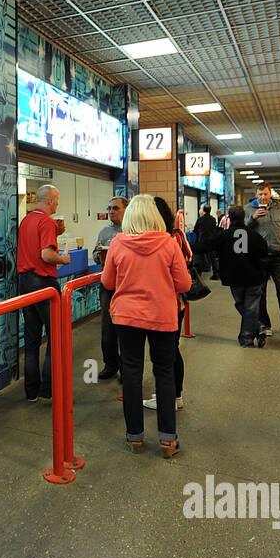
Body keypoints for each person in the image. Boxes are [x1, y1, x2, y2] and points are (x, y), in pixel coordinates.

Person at [101, 193, 190, 456]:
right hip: (162, 316)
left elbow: (108, 282)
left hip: (126, 317)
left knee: (131, 372)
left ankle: (134, 437)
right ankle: (167, 440)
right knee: (164, 373)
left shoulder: (118, 242)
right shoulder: (168, 243)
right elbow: (184, 284)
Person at [18, 185, 72, 403]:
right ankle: (48, 388)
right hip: (44, 284)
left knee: (31, 340)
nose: (57, 204)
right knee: (55, 336)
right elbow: (47, 255)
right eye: (57, 200)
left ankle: (31, 391)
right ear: (50, 201)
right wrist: (63, 259)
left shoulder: (26, 220)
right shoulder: (47, 221)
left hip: (25, 283)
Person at [190, 205, 270, 346]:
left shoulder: (224, 235)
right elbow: (264, 251)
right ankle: (257, 328)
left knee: (241, 304)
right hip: (254, 276)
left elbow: (205, 246)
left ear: (229, 218)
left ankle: (247, 338)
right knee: (250, 307)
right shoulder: (253, 235)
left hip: (234, 277)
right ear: (243, 216)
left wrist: (187, 248)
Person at [144, 196, 192, 411]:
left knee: (165, 353)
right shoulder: (177, 236)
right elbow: (189, 259)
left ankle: (169, 397)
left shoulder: (157, 239)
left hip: (162, 303)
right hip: (178, 303)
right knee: (172, 349)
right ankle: (175, 395)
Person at [246, 183, 280, 340]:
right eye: (260, 194)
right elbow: (243, 232)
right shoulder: (248, 209)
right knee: (260, 292)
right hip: (259, 257)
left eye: (265, 194)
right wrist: (253, 219)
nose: (263, 197)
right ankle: (264, 325)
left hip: (278, 256)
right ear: (256, 195)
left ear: (270, 195)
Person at [93, 196, 128, 380]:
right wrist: (99, 254)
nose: (111, 211)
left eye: (116, 208)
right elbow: (95, 255)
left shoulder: (132, 230)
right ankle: (110, 364)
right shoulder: (104, 232)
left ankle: (126, 368)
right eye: (109, 208)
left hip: (128, 285)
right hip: (108, 285)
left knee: (126, 327)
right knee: (108, 327)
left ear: (126, 210)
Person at [193, 204, 220, 279]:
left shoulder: (200, 219)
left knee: (200, 257)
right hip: (211, 241)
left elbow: (195, 230)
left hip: (202, 241)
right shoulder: (213, 219)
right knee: (213, 258)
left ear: (204, 210)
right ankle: (216, 274)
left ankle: (199, 275)